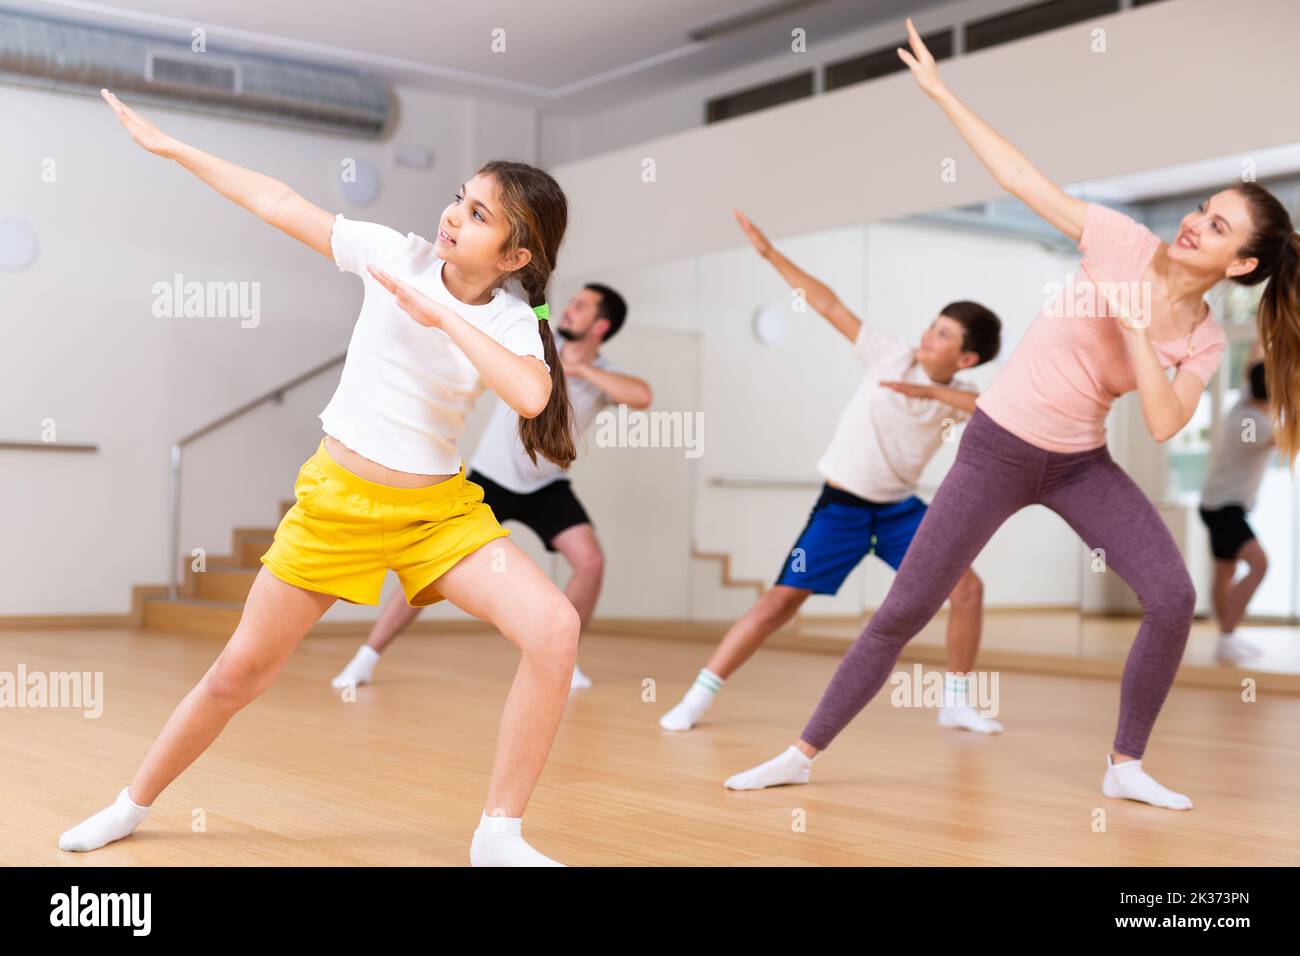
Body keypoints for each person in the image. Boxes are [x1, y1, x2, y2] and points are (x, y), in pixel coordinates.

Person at [724, 19, 1299, 811]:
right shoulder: (1122, 241)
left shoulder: (1201, 339)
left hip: (1077, 465)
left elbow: (1165, 424)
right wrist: (941, 94)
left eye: (1218, 225)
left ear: (1238, 265)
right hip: (996, 449)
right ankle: (800, 751)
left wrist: (1134, 325)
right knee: (904, 610)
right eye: (1204, 206)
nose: (1196, 220)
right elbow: (1026, 179)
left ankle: (1125, 763)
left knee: (1170, 597)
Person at [59, 89, 586, 866]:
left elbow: (533, 393)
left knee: (555, 628)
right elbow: (277, 201)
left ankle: (498, 834)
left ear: (515, 256)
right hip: (336, 505)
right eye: (459, 199)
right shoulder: (392, 253)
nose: (453, 216)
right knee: (239, 671)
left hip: (437, 515)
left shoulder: (511, 318)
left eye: (479, 215)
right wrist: (173, 148)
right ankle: (129, 803)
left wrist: (446, 318)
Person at [659, 210, 1003, 735]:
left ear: (967, 356)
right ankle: (696, 697)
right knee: (778, 604)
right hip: (840, 509)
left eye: (944, 335)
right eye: (933, 326)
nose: (928, 337)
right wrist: (771, 255)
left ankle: (955, 699)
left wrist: (931, 393)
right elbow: (828, 304)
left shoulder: (964, 397)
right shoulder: (889, 355)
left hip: (900, 513)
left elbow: (993, 411)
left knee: (969, 590)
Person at [331, 283, 651, 692]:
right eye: (571, 302)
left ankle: (563, 659)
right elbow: (524, 318)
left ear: (601, 325)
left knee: (591, 562)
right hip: (490, 480)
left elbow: (642, 396)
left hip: (547, 486)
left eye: (582, 306)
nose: (570, 308)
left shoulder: (602, 375)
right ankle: (366, 657)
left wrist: (582, 370)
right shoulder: (538, 343)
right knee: (430, 571)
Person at [1199, 342, 1275, 662]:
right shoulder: (1257, 426)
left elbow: (1252, 366)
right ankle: (1227, 636)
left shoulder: (1244, 403)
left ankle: (1225, 639)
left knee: (1224, 572)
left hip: (1214, 504)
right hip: (1225, 508)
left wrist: (1265, 334)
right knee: (1260, 564)